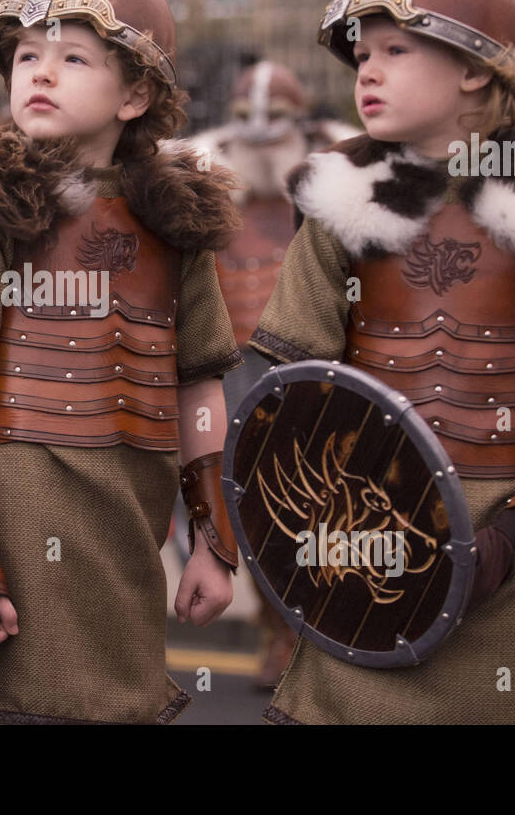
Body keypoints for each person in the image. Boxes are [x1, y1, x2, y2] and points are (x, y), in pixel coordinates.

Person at [249, 0, 515, 724]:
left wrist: (513, 533)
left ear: (474, 67)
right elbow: (286, 390)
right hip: (362, 546)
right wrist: (311, 529)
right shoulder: (341, 204)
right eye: (362, 54)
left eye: (396, 50)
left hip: (512, 557)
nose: (367, 70)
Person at [0, 0, 243, 724]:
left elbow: (199, 386)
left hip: (129, 523)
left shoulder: (173, 219)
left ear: (134, 95)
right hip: (17, 528)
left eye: (72, 57)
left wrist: (213, 544)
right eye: (27, 55)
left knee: (120, 706)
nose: (41, 73)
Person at [192, 59, 357, 690]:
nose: (259, 133)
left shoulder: (333, 183)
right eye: (245, 119)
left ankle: (333, 632)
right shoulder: (203, 188)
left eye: (275, 119)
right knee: (255, 507)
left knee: (333, 503)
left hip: (323, 365)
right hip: (232, 363)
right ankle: (276, 636)